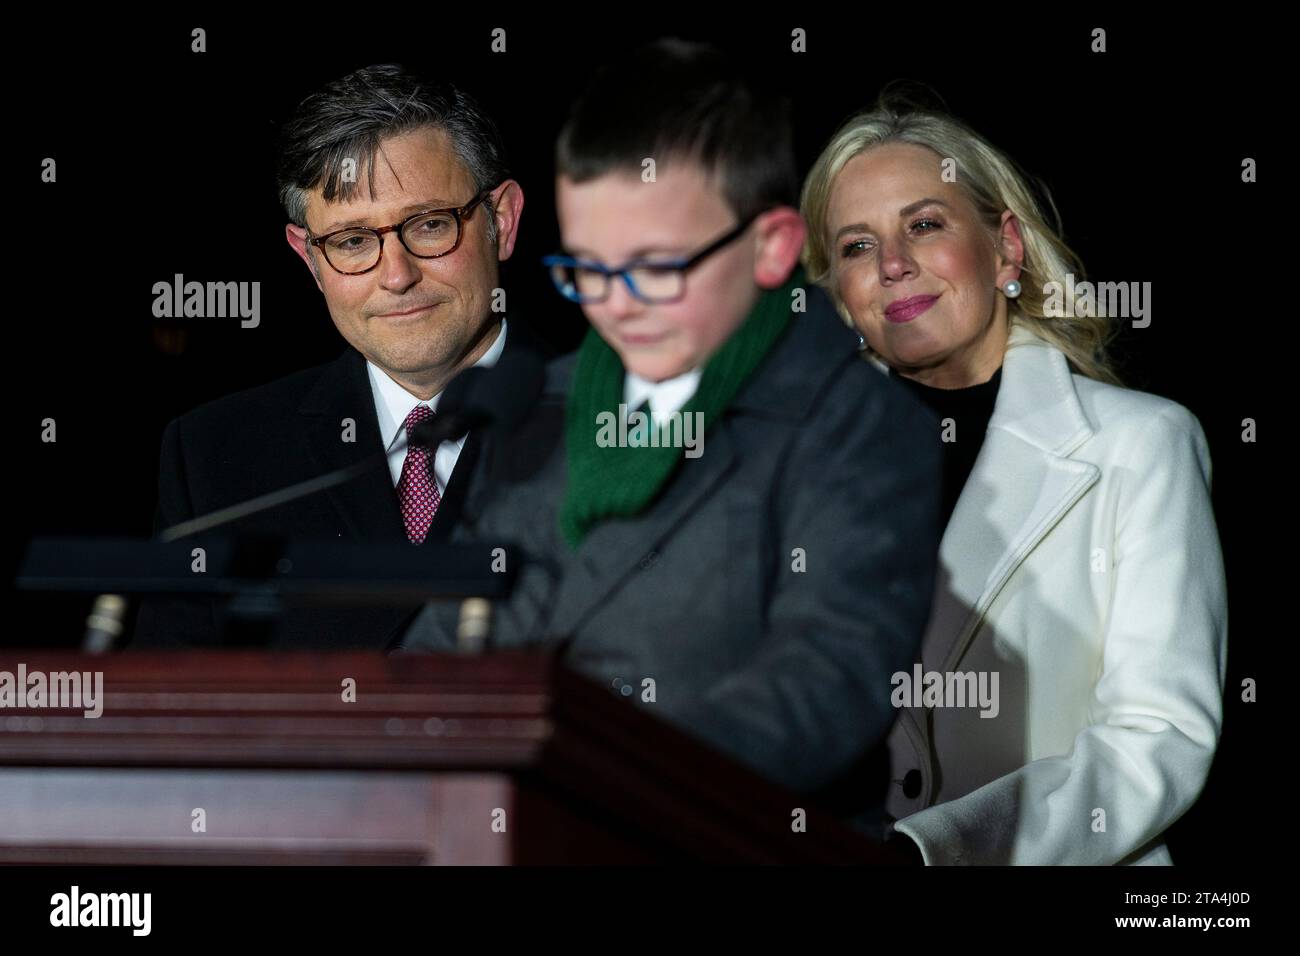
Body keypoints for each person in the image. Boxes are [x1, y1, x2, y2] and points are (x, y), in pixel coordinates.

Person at [401, 40, 944, 831]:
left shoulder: (856, 423)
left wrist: (586, 772)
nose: (616, 304)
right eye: (587, 269)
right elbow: (451, 638)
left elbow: (825, 681)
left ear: (772, 247)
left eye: (655, 269)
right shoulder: (541, 404)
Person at [799, 94, 1227, 863]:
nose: (892, 264)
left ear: (1005, 249)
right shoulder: (793, 462)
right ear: (839, 292)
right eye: (857, 246)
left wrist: (937, 852)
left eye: (924, 225)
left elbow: (1159, 738)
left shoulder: (1139, 443)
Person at [132, 64, 543, 649]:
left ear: (500, 222)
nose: (397, 276)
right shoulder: (214, 458)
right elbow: (167, 718)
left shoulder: (620, 425)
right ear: (308, 258)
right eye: (353, 242)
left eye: (429, 225)